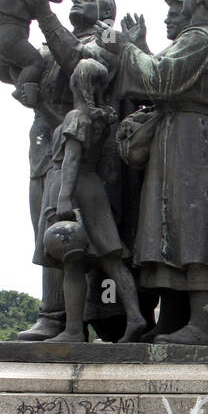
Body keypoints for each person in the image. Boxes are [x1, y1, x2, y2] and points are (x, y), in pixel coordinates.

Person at [100, 0, 208, 345]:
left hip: (189, 138)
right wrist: (142, 46)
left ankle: (200, 325)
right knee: (166, 229)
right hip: (179, 135)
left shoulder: (201, 38)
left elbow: (161, 78)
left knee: (195, 231)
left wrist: (128, 48)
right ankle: (173, 319)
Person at [14, 0, 124, 342]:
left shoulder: (104, 42)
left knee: (77, 241)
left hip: (84, 158)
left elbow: (77, 60)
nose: (76, 0)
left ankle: (76, 319)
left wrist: (45, 14)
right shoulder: (52, 42)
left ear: (105, 12)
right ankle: (53, 314)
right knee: (46, 236)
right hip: (46, 149)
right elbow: (19, 65)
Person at [41, 57, 146, 343]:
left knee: (72, 261)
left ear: (78, 82)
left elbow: (72, 159)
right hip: (93, 190)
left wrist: (63, 198)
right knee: (112, 259)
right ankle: (135, 316)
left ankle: (73, 330)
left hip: (74, 188)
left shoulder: (76, 117)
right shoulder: (94, 117)